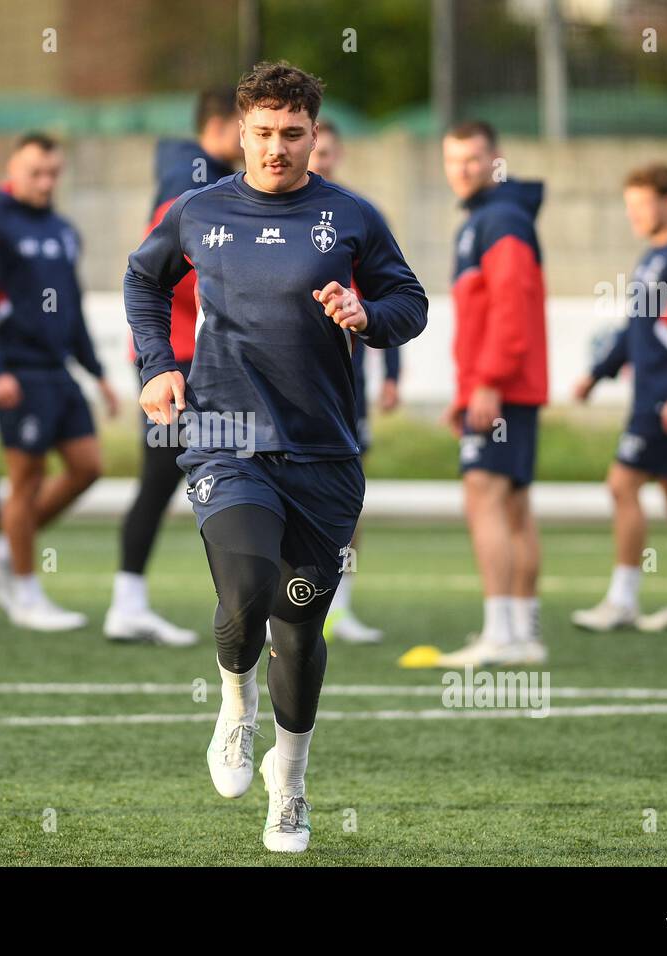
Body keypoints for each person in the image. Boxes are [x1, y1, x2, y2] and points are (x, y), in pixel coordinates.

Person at [125, 61, 427, 852]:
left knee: (297, 626)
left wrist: (366, 313)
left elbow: (411, 303)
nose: (277, 148)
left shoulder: (352, 217)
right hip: (226, 439)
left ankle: (288, 780)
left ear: (314, 136)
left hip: (323, 452)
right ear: (240, 131)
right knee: (248, 584)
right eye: (262, 133)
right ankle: (235, 705)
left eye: (293, 134)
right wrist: (157, 365)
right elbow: (141, 279)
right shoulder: (198, 210)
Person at [104, 87, 242, 648]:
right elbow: (162, 278)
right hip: (182, 364)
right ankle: (129, 602)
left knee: (183, 481)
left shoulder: (197, 181)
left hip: (188, 359)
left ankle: (130, 601)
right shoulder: (189, 192)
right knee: (178, 480)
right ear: (220, 125)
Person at [0, 133, 118, 632]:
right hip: (18, 372)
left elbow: (71, 309)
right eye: (37, 172)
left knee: (88, 467)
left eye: (54, 173)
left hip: (59, 372)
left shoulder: (63, 231)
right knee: (25, 482)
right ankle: (27, 595)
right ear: (13, 169)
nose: (46, 182)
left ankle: (3, 550)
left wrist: (98, 373)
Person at [572, 163, 667, 633]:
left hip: (666, 400)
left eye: (641, 205)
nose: (633, 214)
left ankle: (623, 599)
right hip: (654, 396)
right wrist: (597, 373)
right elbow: (635, 328)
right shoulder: (653, 258)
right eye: (629, 205)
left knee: (622, 484)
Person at [432, 120, 549, 668]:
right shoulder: (491, 218)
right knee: (515, 506)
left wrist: (487, 382)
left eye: (474, 159)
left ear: (496, 160)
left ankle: (501, 632)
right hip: (506, 387)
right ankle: (522, 632)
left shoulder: (499, 219)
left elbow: (513, 305)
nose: (463, 171)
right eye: (454, 161)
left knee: (484, 495)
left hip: (502, 388)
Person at [307, 117, 401, 644]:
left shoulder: (356, 217)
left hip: (343, 384)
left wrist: (391, 372)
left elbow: (388, 299)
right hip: (273, 385)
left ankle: (339, 605)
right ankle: (283, 600)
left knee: (347, 493)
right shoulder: (254, 215)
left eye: (323, 151)